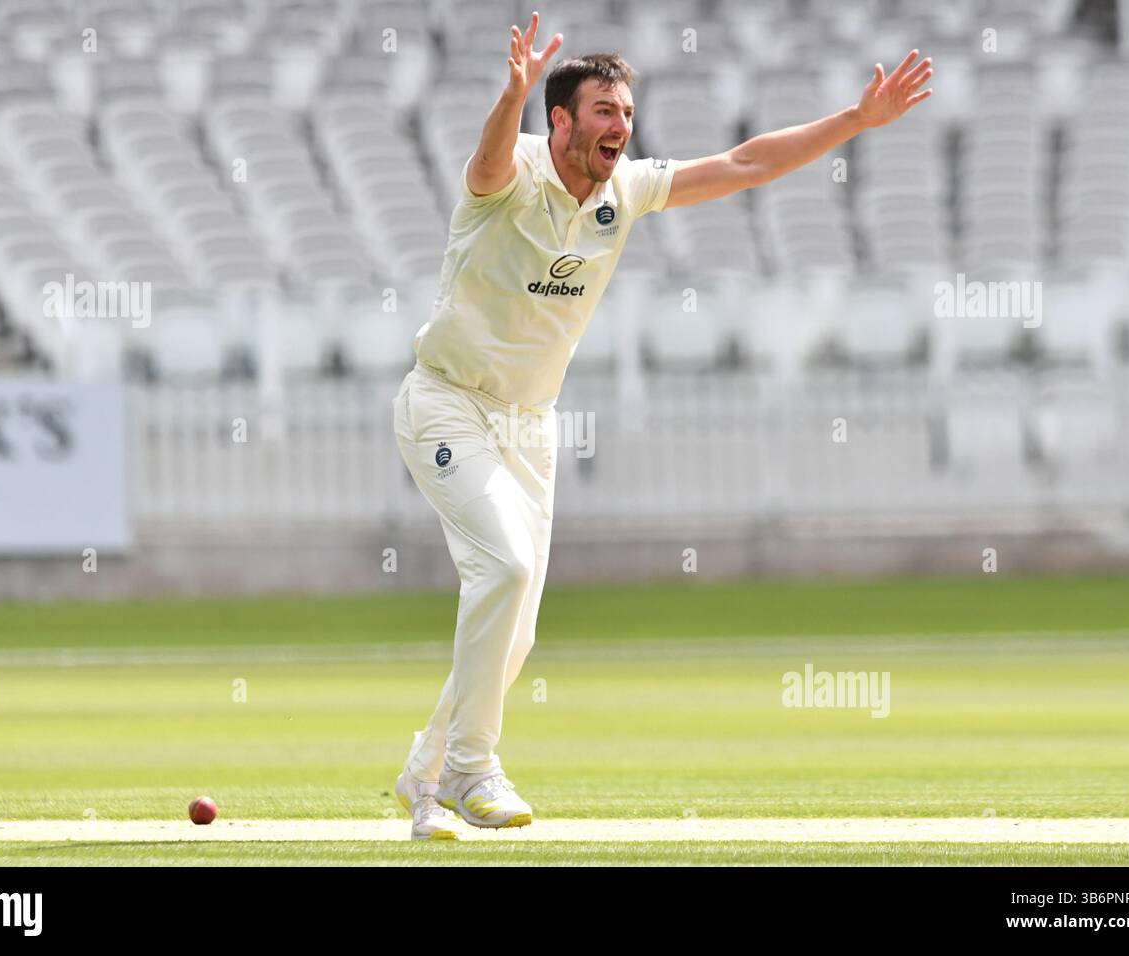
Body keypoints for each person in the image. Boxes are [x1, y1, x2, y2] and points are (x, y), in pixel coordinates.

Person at [392, 11, 934, 840]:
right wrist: (510, 96)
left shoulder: (625, 191)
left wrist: (857, 121)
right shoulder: (515, 174)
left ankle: (425, 773)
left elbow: (746, 162)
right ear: (562, 119)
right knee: (501, 568)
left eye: (629, 115)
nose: (622, 128)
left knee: (518, 628)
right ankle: (472, 769)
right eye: (605, 112)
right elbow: (489, 160)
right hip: (447, 402)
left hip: (529, 426)